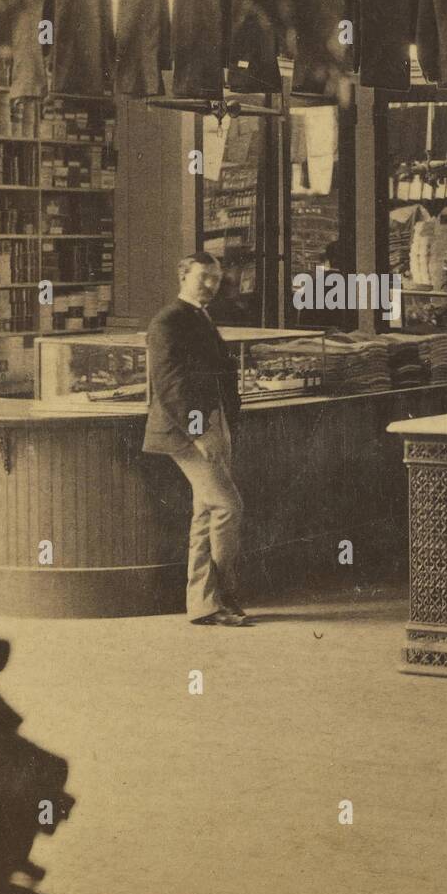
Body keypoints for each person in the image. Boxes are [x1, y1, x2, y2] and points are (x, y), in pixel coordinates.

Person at [142, 253, 251, 627]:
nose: (210, 285)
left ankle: (203, 605)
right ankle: (225, 596)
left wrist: (223, 420)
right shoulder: (167, 321)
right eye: (203, 276)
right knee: (228, 507)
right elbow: (170, 385)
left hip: (213, 423)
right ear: (183, 276)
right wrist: (200, 431)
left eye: (216, 279)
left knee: (206, 513)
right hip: (187, 431)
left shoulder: (200, 317)